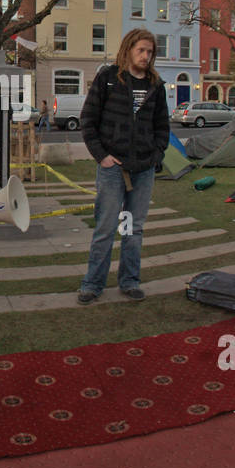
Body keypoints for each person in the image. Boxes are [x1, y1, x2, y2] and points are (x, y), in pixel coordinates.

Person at [82, 29, 172, 299]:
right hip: (112, 168)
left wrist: (156, 155)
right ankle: (92, 284)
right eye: (141, 50)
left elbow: (162, 126)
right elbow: (88, 121)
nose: (146, 56)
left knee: (133, 228)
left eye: (150, 52)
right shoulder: (108, 78)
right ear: (128, 49)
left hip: (143, 170)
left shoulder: (156, 85)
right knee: (106, 228)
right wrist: (102, 156)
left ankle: (130, 281)